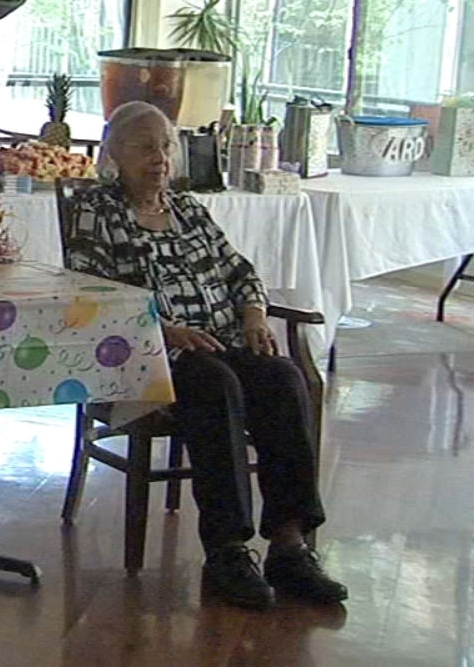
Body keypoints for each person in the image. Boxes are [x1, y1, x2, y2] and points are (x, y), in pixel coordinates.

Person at [62, 100, 347, 611]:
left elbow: (240, 272)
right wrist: (164, 329)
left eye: (166, 146)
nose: (160, 157)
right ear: (113, 154)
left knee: (282, 379)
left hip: (218, 340)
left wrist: (255, 313)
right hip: (143, 354)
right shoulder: (96, 209)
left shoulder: (189, 210)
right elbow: (89, 291)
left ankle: (289, 545)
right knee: (214, 383)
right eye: (145, 147)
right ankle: (227, 551)